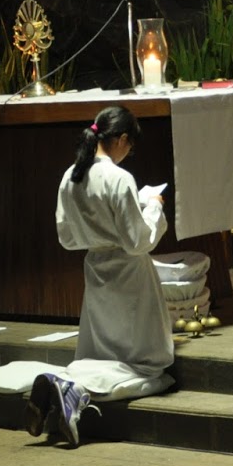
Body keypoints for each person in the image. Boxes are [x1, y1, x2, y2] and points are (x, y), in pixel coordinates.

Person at [29, 105, 172, 446]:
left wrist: (99, 234)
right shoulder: (119, 178)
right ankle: (77, 390)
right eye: (130, 145)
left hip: (95, 267)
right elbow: (138, 240)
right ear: (121, 139)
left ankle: (68, 381)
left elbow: (66, 237)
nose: (129, 153)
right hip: (128, 270)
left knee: (103, 350)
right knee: (150, 366)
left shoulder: (71, 175)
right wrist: (153, 206)